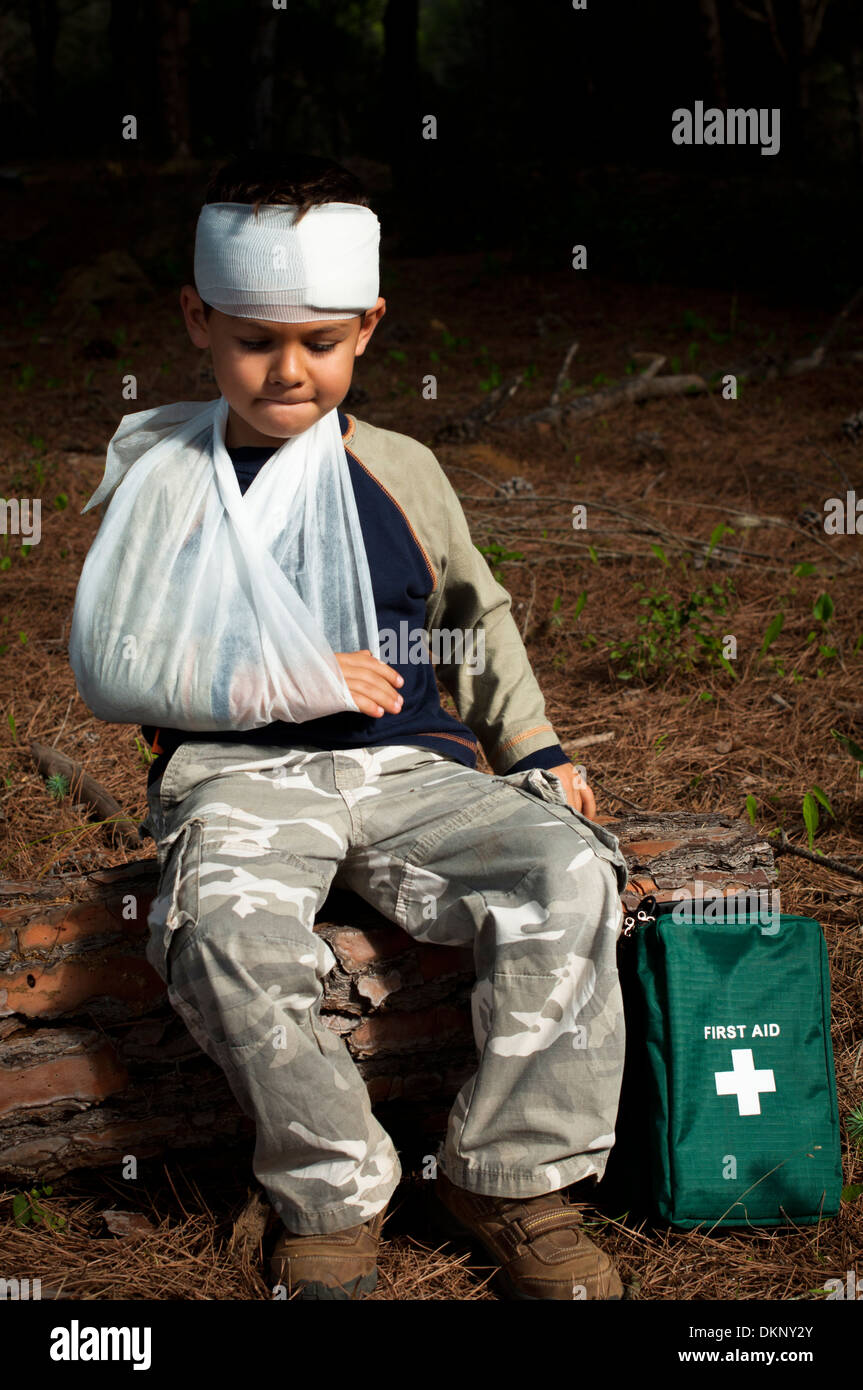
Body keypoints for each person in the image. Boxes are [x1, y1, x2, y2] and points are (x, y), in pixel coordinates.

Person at [98, 151, 632, 1301]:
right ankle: (333, 1184)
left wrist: (534, 746)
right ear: (196, 319)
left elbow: (472, 616)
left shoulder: (402, 469)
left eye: (319, 341)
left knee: (570, 872)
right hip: (238, 777)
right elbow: (120, 661)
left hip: (408, 767)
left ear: (368, 327)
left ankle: (507, 1175)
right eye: (251, 338)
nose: (285, 369)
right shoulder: (163, 483)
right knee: (222, 932)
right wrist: (275, 675)